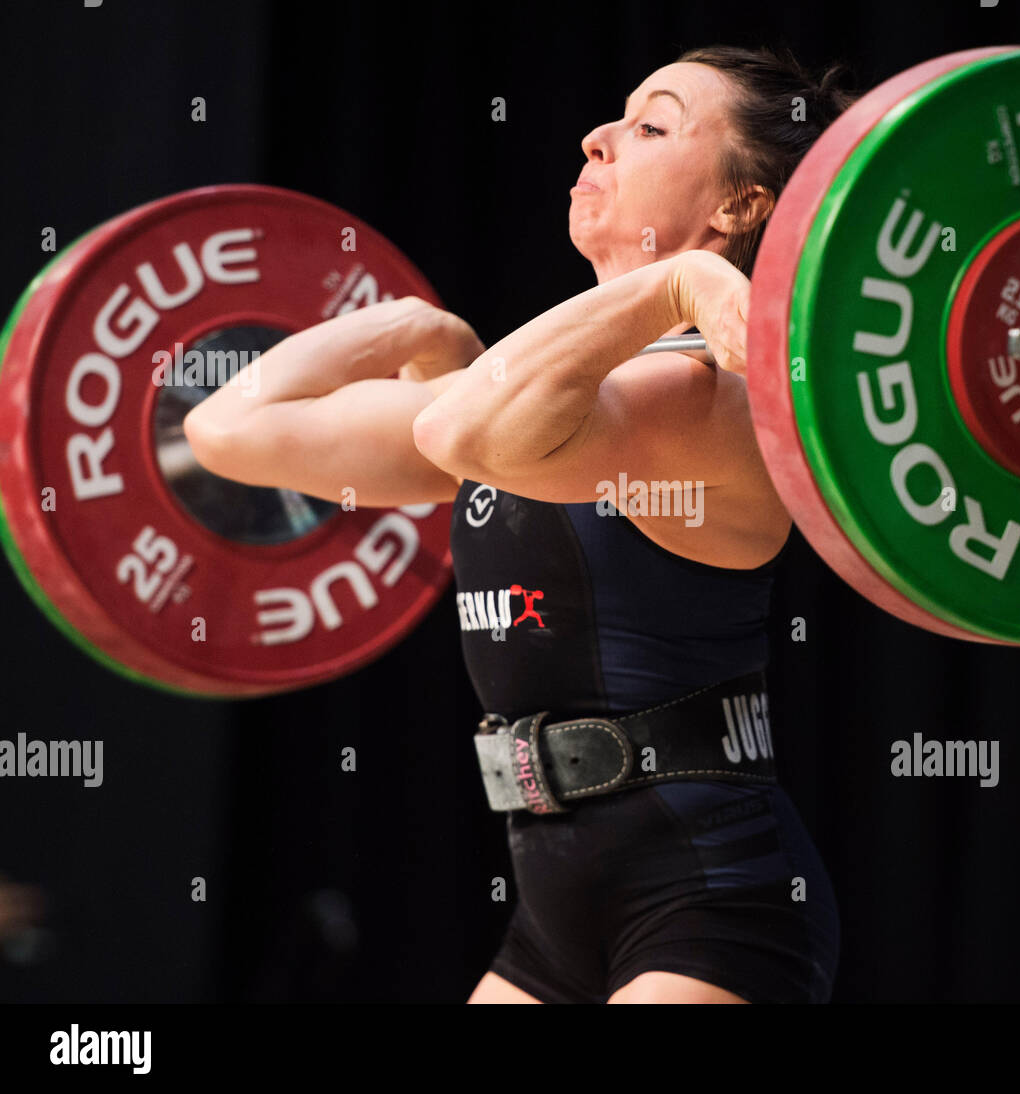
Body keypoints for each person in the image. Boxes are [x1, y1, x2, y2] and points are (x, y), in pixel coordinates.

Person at [186, 45, 857, 1004]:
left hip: (713, 906)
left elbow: (459, 429)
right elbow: (227, 429)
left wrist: (677, 293)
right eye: (617, 117)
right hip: (548, 912)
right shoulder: (538, 403)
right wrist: (410, 327)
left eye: (651, 125)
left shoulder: (708, 399)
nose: (597, 137)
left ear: (739, 206)